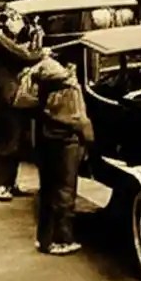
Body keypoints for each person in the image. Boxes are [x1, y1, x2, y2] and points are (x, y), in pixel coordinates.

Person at [30, 56, 93, 256]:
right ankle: (62, 239)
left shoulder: (42, 87)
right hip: (67, 142)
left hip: (45, 139)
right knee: (65, 191)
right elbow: (80, 120)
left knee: (47, 189)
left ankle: (44, 239)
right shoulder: (69, 89)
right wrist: (89, 139)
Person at [0, 10, 44, 201]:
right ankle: (1, 185)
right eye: (15, 19)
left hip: (12, 97)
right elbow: (26, 57)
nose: (18, 22)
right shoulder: (1, 41)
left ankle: (9, 183)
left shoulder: (9, 42)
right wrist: (41, 52)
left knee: (16, 142)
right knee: (9, 142)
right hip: (8, 98)